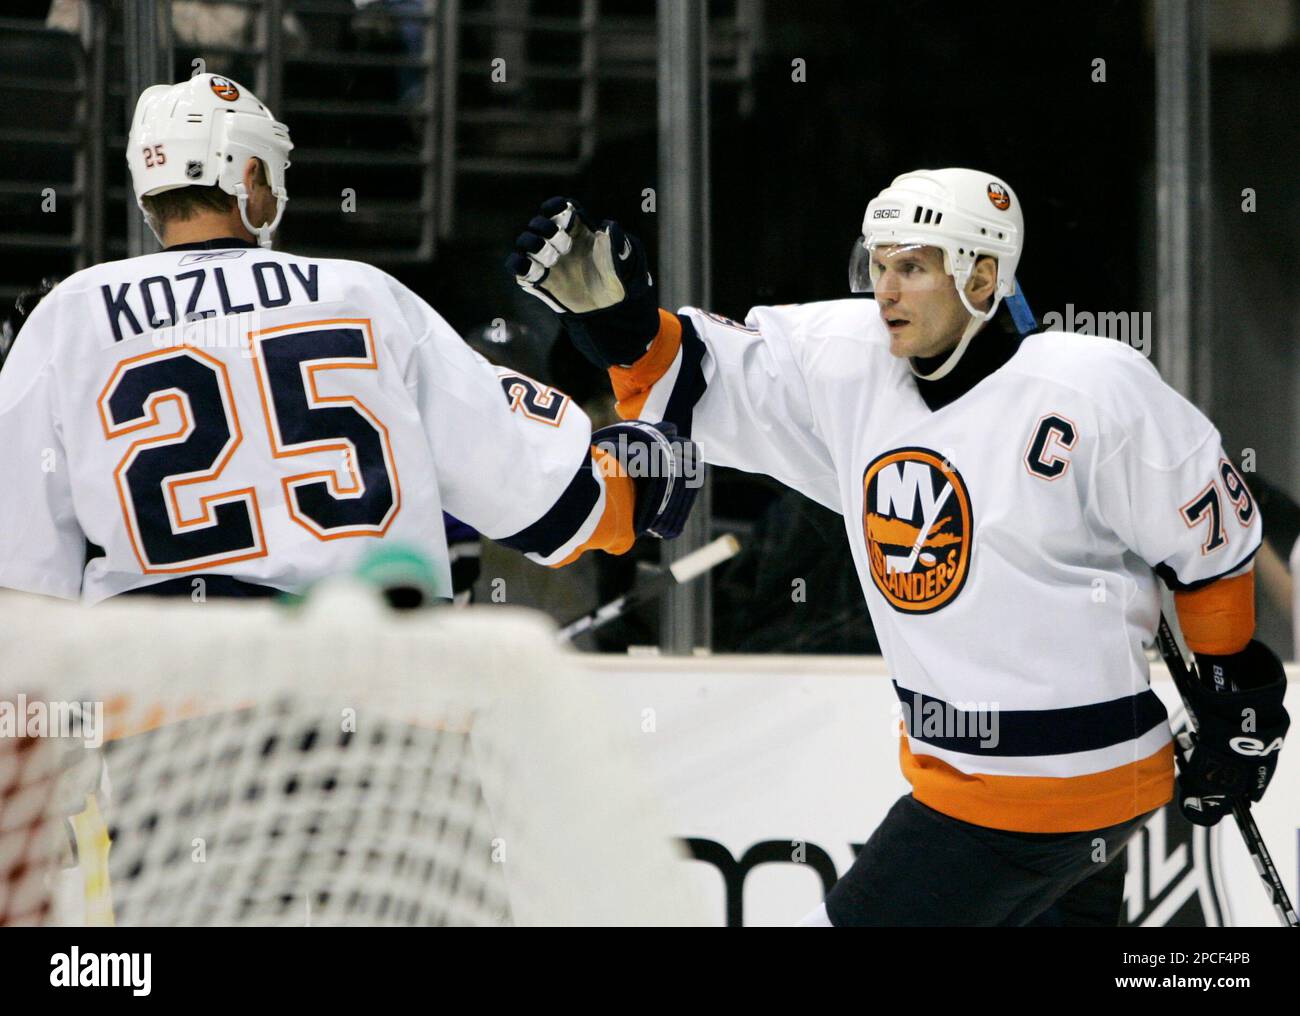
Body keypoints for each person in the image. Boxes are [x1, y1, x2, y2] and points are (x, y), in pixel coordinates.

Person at [506, 169, 1290, 926]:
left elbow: (1208, 542)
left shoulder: (1091, 386)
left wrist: (1235, 700)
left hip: (1023, 796)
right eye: (877, 265)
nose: (885, 289)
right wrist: (623, 326)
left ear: (982, 279)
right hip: (1049, 792)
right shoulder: (852, 360)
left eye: (913, 268)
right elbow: (709, 376)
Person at [0, 74, 699, 604]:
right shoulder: (360, 295)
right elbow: (557, 507)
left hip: (169, 714)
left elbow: (21, 579)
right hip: (368, 694)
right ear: (252, 178)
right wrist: (646, 447)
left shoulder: (70, 316)